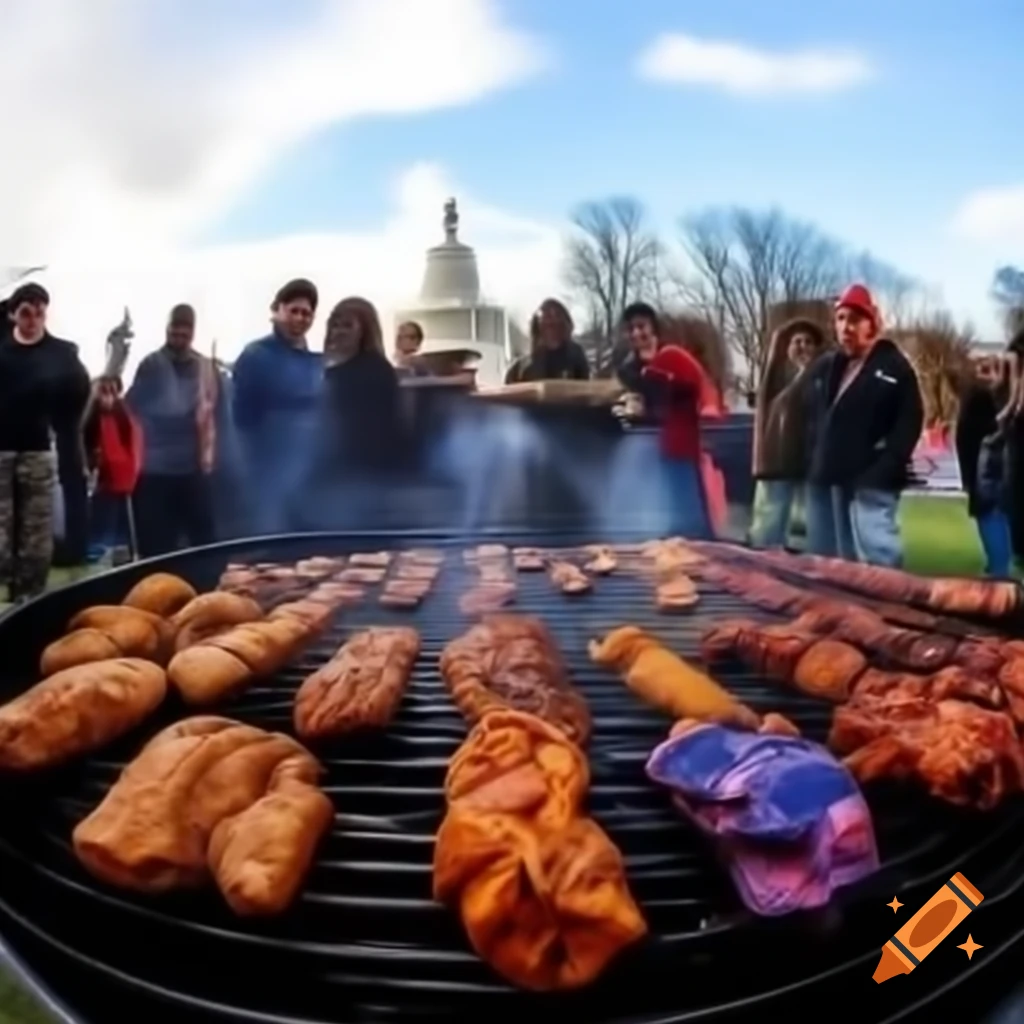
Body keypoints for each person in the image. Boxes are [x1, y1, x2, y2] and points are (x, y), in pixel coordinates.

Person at [804, 284, 924, 567]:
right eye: (841, 318)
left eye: (855, 319)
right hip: (829, 476)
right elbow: (813, 415)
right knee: (836, 564)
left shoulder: (894, 367)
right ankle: (848, 608)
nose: (846, 327)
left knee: (879, 557)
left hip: (871, 481)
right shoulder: (831, 367)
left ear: (873, 322)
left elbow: (910, 422)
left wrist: (885, 466)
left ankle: (893, 608)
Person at [0, 283, 90, 602]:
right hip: (1, 453)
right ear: (14, 315)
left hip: (38, 451)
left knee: (36, 537)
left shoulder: (61, 353)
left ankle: (29, 599)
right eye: (26, 312)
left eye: (39, 312)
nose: (33, 319)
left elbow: (77, 397)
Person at [617, 302, 718, 537]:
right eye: (630, 329)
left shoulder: (674, 355)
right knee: (659, 508)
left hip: (682, 439)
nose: (636, 334)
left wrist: (660, 374)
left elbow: (695, 390)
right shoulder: (628, 369)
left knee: (689, 504)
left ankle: (700, 550)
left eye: (641, 326)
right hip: (648, 443)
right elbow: (643, 398)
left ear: (654, 328)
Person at [127, 304, 220, 556]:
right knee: (156, 548)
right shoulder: (151, 364)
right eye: (174, 330)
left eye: (184, 331)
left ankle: (204, 590)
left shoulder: (204, 367)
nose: (178, 336)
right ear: (167, 329)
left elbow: (216, 415)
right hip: (154, 471)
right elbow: (132, 409)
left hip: (193, 470)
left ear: (193, 332)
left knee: (204, 545)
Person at [232, 278, 323, 535]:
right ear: (276, 310)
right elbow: (241, 421)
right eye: (293, 310)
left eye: (306, 313)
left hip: (310, 478)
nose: (300, 318)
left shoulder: (315, 362)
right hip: (267, 478)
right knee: (271, 553)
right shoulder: (256, 356)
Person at [750, 319, 828, 548]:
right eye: (797, 341)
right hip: (778, 463)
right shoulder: (782, 383)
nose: (802, 346)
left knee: (802, 523)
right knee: (770, 521)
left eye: (808, 342)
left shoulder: (818, 380)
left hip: (802, 463)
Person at [955, 355, 1013, 577]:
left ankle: (999, 571)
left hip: (986, 469)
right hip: (983, 468)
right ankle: (998, 568)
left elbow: (968, 439)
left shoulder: (982, 399)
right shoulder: (984, 398)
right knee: (990, 515)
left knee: (990, 515)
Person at [82, 376, 143, 562]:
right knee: (102, 518)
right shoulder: (89, 415)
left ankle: (115, 552)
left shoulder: (123, 415)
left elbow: (132, 446)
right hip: (101, 479)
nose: (107, 397)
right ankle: (99, 551)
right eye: (103, 391)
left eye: (112, 391)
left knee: (115, 521)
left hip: (117, 478)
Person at [504, 298, 591, 383]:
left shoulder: (576, 360)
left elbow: (586, 390)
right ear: (536, 327)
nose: (551, 321)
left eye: (557, 316)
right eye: (546, 316)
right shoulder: (519, 369)